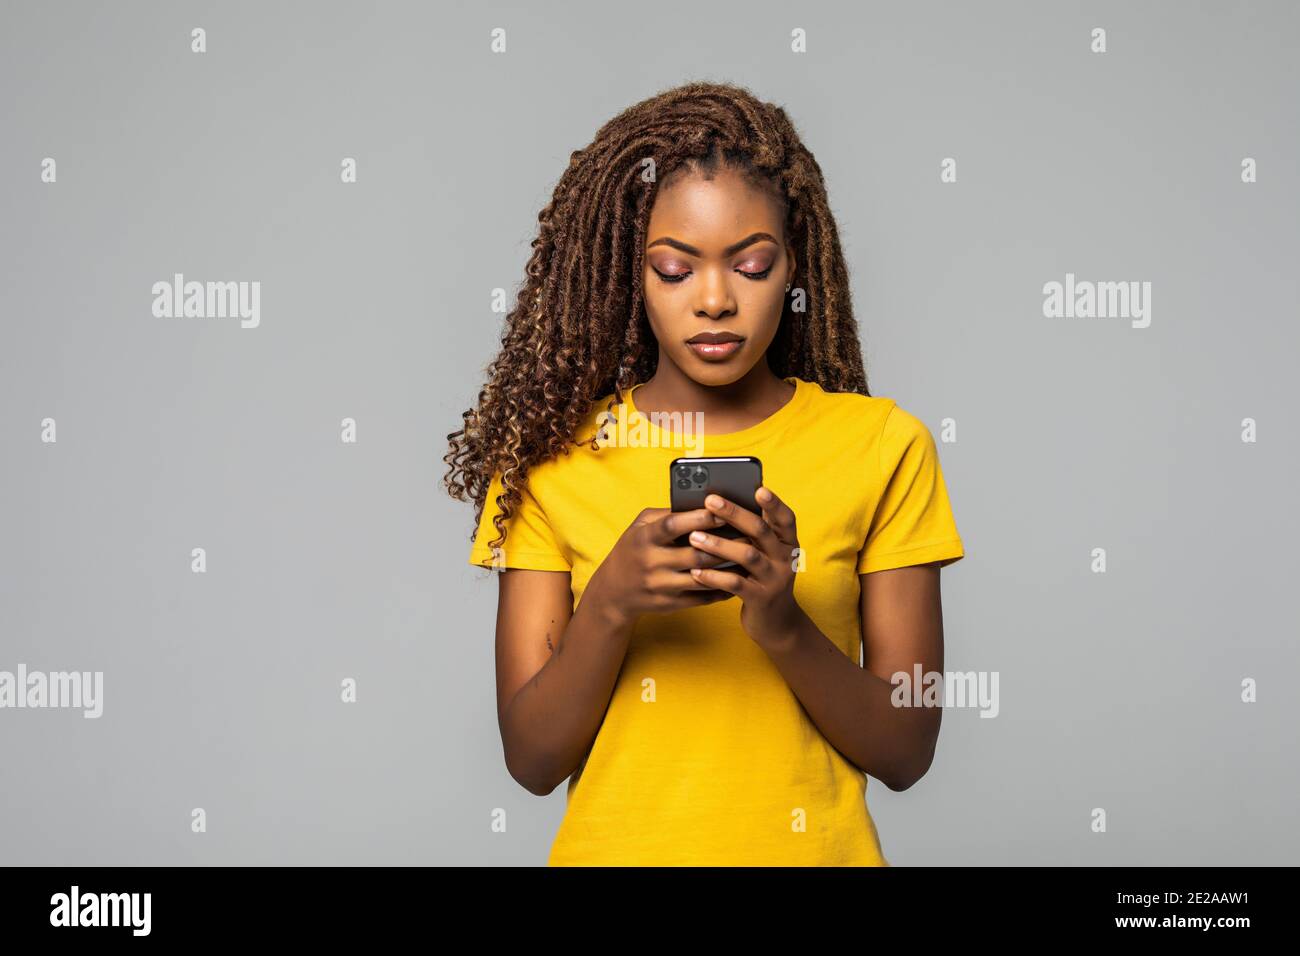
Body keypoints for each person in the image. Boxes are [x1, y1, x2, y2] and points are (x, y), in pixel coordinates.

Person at [444, 80, 964, 866]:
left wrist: (783, 623)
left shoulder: (885, 446)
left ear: (794, 268)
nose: (715, 300)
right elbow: (532, 761)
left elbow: (906, 750)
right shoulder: (555, 459)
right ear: (629, 273)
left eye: (750, 265)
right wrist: (612, 605)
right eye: (674, 269)